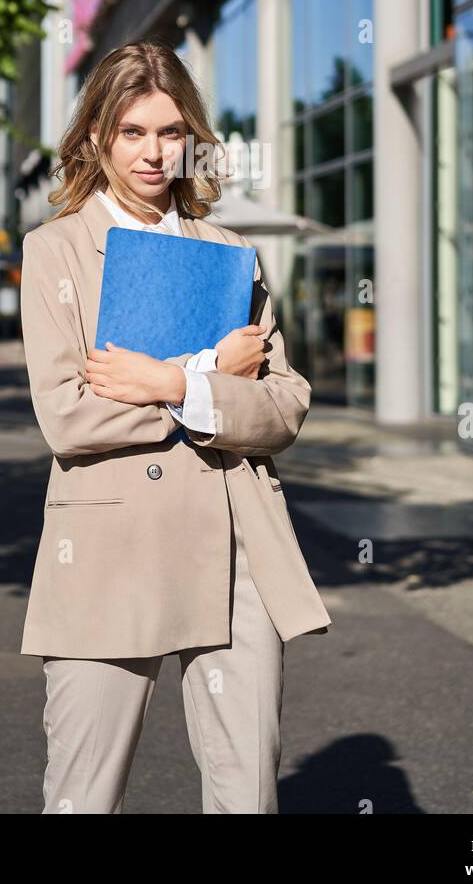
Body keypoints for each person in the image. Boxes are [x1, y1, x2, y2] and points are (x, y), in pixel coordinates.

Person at [19, 40, 331, 814]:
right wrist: (210, 376)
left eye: (168, 132)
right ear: (96, 136)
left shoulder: (231, 254)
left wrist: (171, 382)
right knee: (82, 797)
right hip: (105, 549)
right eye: (131, 132)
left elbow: (285, 404)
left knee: (245, 794)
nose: (154, 153)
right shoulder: (55, 250)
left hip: (233, 550)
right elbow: (68, 415)